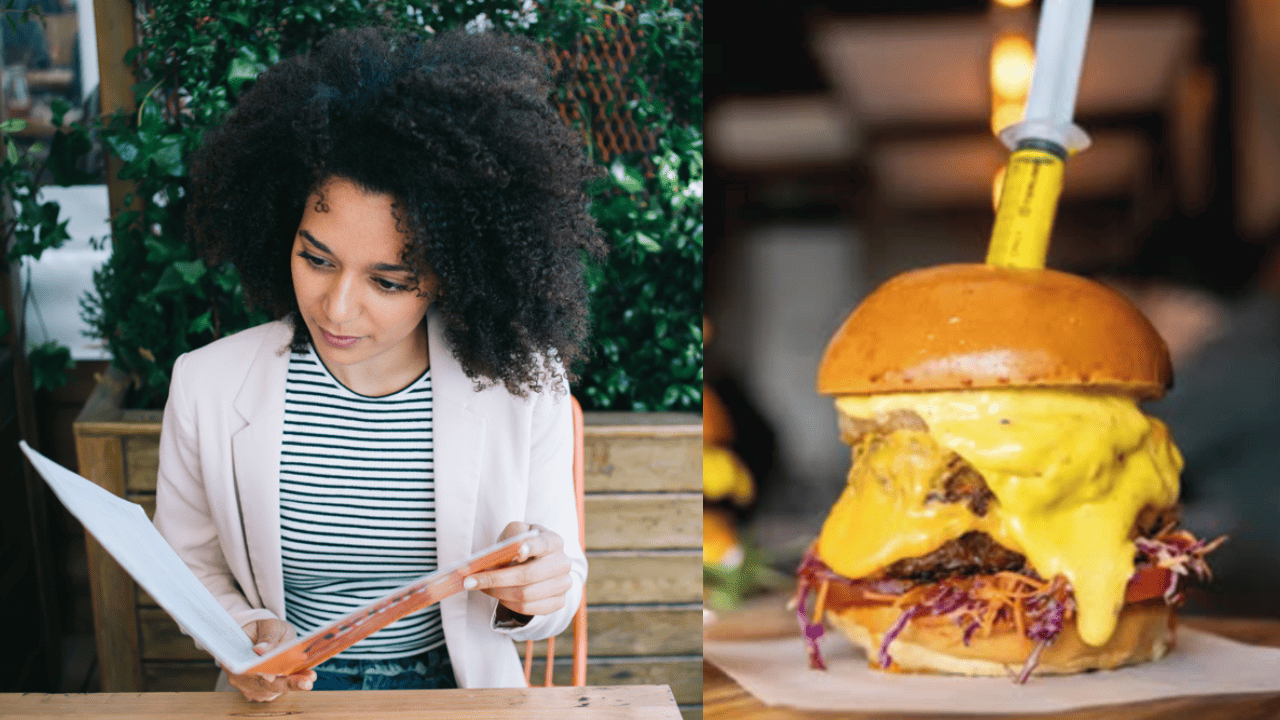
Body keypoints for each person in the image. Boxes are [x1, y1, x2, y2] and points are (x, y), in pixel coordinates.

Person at [153, 27, 605, 701]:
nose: (336, 308)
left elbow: (559, 588)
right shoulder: (208, 385)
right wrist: (246, 630)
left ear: (454, 275)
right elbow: (187, 561)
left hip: (455, 692)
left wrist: (536, 590)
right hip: (286, 695)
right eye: (316, 259)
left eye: (388, 282)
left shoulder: (523, 389)